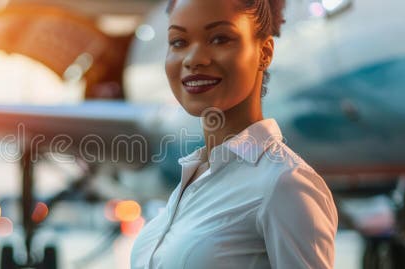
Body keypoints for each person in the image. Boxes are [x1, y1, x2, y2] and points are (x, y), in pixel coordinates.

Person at [130, 0, 338, 268]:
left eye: (219, 38)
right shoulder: (194, 176)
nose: (194, 59)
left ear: (264, 52)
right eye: (178, 42)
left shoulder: (285, 184)